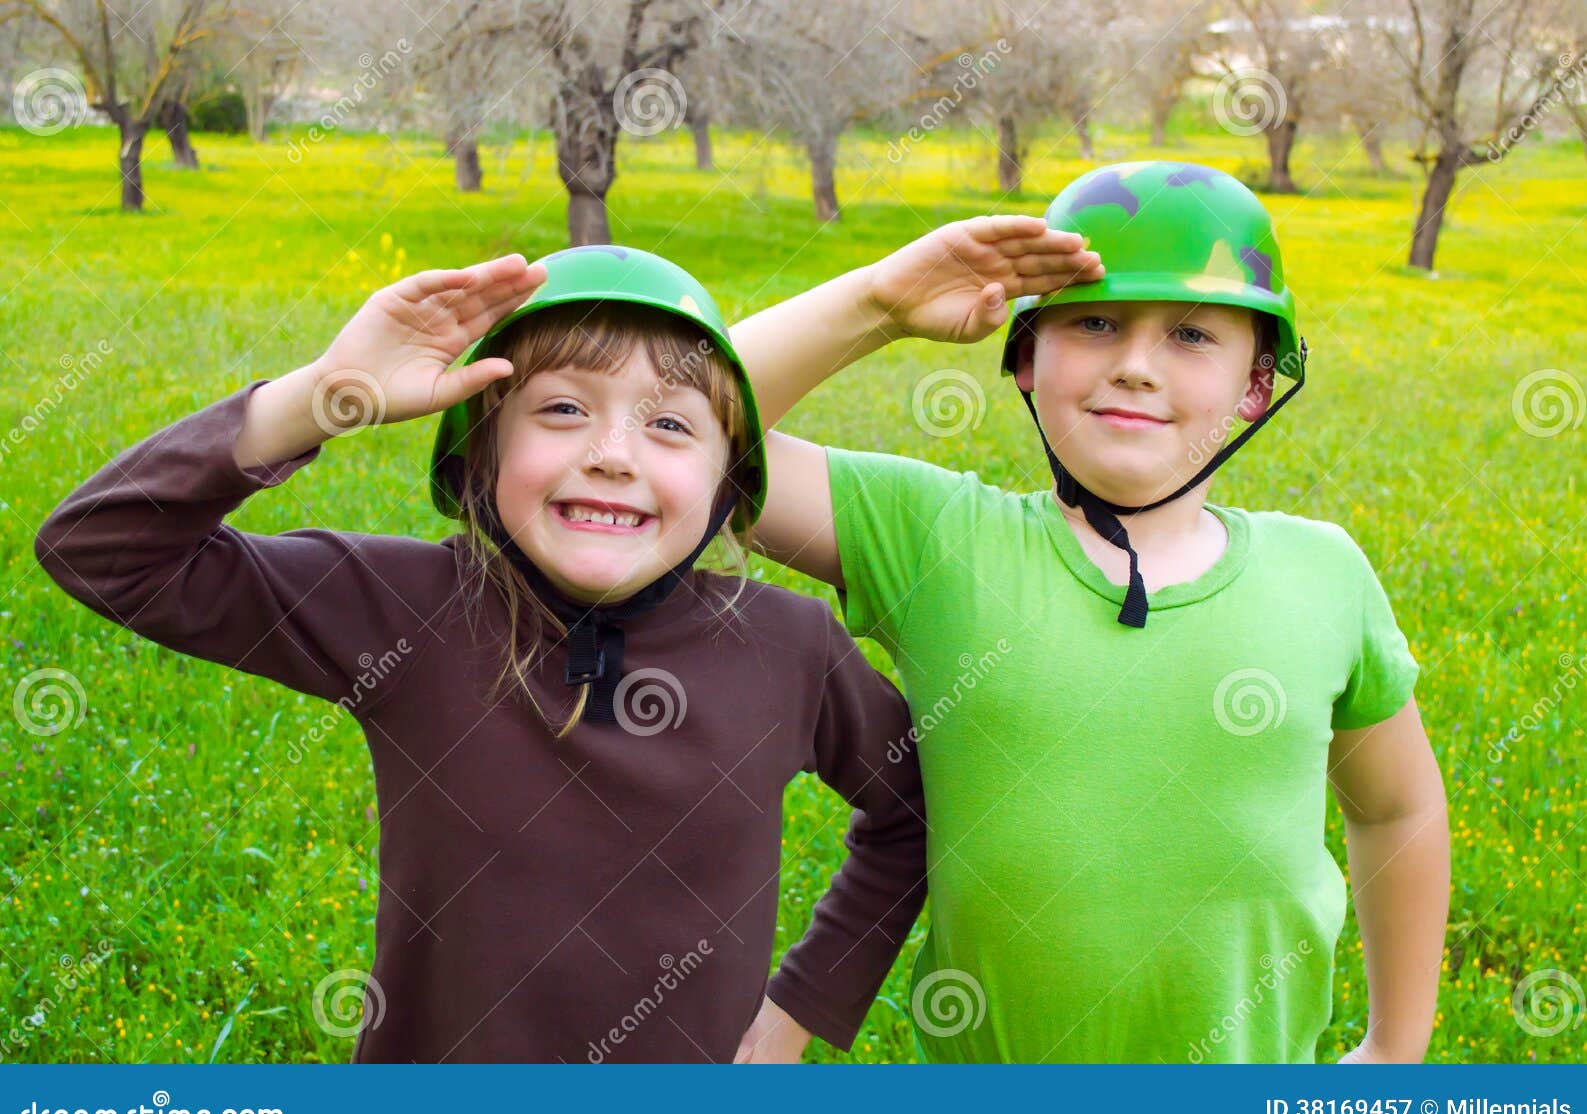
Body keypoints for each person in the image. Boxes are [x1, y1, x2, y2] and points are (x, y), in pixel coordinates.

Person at [35, 246, 934, 1063]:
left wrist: (797, 1012)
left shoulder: (790, 646)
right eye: (564, 410)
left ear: (727, 485)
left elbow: (919, 811)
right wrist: (324, 394)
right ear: (482, 457)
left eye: (670, 426)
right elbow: (102, 549)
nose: (613, 455)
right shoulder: (404, 611)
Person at [733, 163, 1451, 1063]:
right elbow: (675, 438)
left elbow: (1396, 810)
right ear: (1027, 359)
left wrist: (1395, 1052)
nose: (1136, 366)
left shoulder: (1324, 573)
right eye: (1094, 322)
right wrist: (880, 302)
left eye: (1191, 335)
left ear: (1257, 387)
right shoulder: (939, 540)